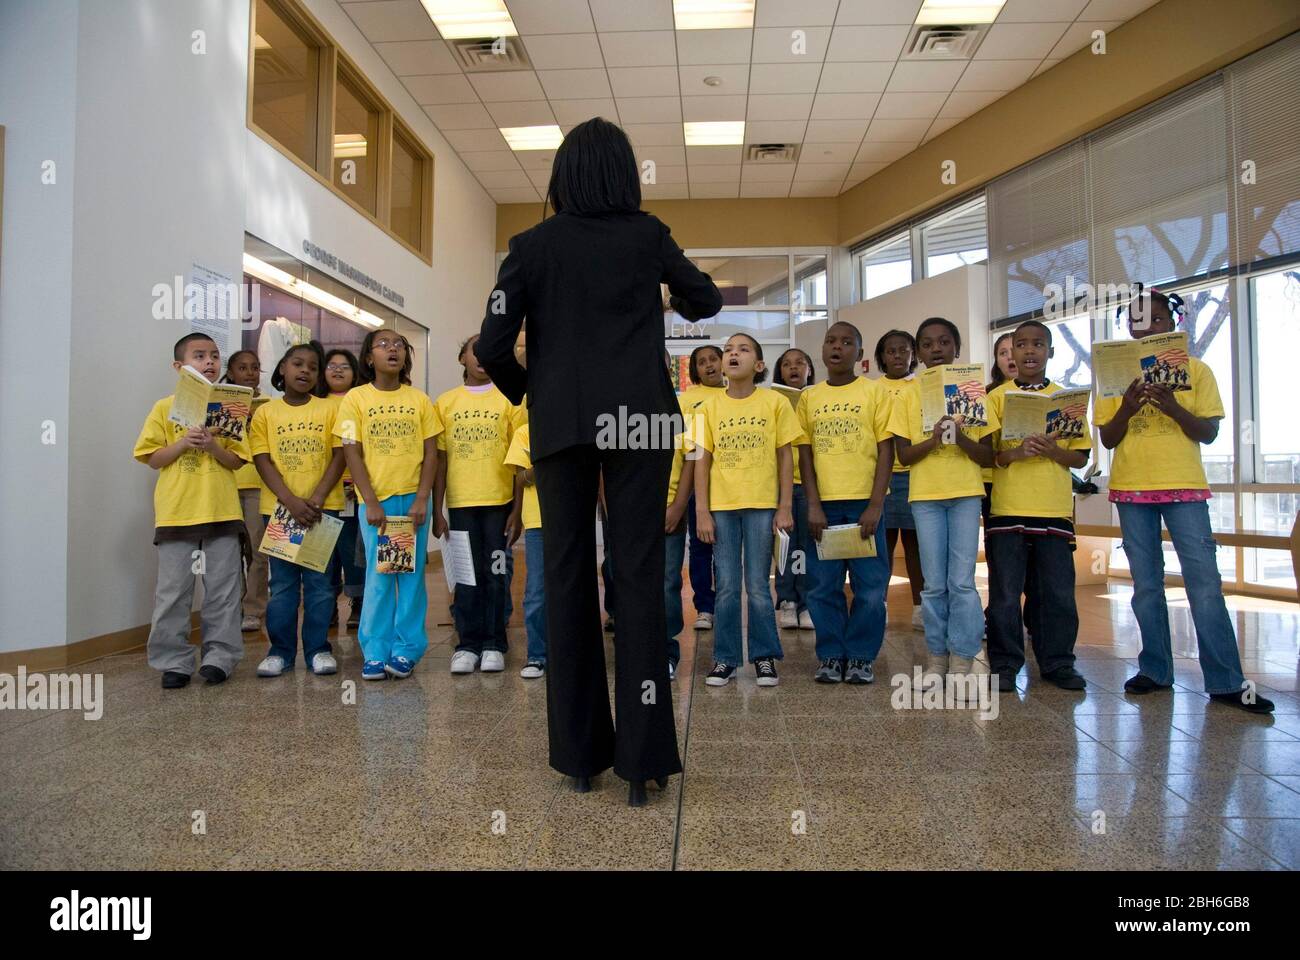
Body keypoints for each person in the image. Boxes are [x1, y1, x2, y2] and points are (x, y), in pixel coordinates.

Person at [477, 116, 722, 806]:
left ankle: (581, 755)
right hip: (641, 419)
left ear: (562, 174)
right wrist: (661, 295)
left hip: (562, 426)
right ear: (623, 173)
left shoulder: (530, 246)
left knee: (566, 578)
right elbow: (704, 298)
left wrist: (538, 391)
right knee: (640, 572)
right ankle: (643, 761)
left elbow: (494, 342)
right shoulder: (649, 236)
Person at [1095, 290, 1272, 714]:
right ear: (1128, 327)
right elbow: (1108, 438)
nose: (1147, 326)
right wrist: (1126, 407)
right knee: (1146, 586)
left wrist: (1172, 406)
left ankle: (1227, 680)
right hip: (1131, 487)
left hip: (1186, 488)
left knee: (1205, 584)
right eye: (1138, 320)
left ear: (1171, 325)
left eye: (1157, 319)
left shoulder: (1197, 371)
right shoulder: (1116, 376)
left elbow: (1207, 433)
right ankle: (1155, 670)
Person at [133, 334, 249, 688]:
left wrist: (212, 445)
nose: (209, 362)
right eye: (199, 356)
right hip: (177, 515)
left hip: (222, 512)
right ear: (179, 366)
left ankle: (220, 657)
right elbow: (152, 458)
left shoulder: (230, 407)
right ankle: (174, 660)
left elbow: (236, 460)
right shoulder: (163, 408)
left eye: (214, 356)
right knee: (173, 593)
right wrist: (183, 442)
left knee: (224, 592)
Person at [888, 318, 997, 683]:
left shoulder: (974, 389)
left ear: (957, 349)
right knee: (933, 583)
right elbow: (904, 455)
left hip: (966, 494)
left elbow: (987, 456)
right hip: (926, 496)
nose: (936, 349)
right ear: (918, 353)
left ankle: (963, 657)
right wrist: (935, 439)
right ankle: (937, 654)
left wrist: (959, 436)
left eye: (944, 342)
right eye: (928, 344)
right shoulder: (907, 394)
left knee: (962, 582)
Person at [694, 334, 804, 687]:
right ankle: (724, 659)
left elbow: (786, 455)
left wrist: (784, 506)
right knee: (725, 585)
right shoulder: (707, 408)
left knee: (757, 585)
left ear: (758, 365)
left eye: (742, 349)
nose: (732, 354)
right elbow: (700, 462)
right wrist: (701, 511)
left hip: (761, 506)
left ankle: (765, 657)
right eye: (728, 350)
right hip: (722, 509)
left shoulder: (774, 403)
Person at [985, 321, 1089, 693]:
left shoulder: (1068, 400)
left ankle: (1058, 662)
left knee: (1056, 593)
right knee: (1005, 593)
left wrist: (1053, 451)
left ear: (1050, 352)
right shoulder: (996, 397)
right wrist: (1016, 452)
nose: (1030, 351)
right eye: (1022, 345)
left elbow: (1080, 458)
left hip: (1054, 510)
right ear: (1010, 353)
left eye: (1038, 345)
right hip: (1008, 508)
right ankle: (1004, 664)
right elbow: (988, 455)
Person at [334, 328, 442, 681]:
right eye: (383, 345)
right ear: (369, 357)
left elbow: (431, 454)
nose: (392, 349)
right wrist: (371, 501)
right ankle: (376, 650)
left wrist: (423, 498)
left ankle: (407, 649)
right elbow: (351, 450)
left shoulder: (420, 401)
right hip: (376, 504)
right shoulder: (355, 399)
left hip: (413, 503)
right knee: (379, 578)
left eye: (398, 345)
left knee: (410, 578)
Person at [798, 322, 894, 685]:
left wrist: (875, 505)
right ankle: (830, 655)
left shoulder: (875, 393)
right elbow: (805, 455)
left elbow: (886, 450)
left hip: (863, 507)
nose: (837, 347)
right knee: (823, 587)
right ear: (822, 350)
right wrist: (813, 505)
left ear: (860, 353)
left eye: (847, 342)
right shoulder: (809, 397)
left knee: (870, 588)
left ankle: (860, 656)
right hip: (824, 508)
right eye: (830, 341)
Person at [249, 343, 346, 678]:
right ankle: (280, 652)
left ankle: (319, 649)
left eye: (312, 367)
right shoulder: (265, 413)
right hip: (281, 511)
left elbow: (340, 456)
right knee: (284, 586)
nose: (304, 371)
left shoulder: (330, 410)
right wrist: (290, 501)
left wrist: (317, 498)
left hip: (323, 510)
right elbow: (262, 459)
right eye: (297, 364)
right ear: (281, 370)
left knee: (320, 585)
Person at [434, 334, 522, 674]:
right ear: (462, 359)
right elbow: (439, 461)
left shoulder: (509, 401)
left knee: (496, 574)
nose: (483, 356)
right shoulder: (445, 403)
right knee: (467, 577)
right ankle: (467, 644)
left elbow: (519, 460)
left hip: (499, 505)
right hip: (460, 506)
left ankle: (494, 643)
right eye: (476, 350)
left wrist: (516, 510)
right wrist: (436, 509)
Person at [874, 331, 925, 631]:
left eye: (903, 351)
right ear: (881, 357)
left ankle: (921, 607)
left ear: (912, 355)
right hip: (883, 475)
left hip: (916, 473)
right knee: (882, 544)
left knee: (916, 547)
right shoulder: (872, 388)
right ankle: (877, 605)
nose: (896, 356)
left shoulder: (923, 386)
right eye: (890, 351)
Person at [679, 344, 726, 629]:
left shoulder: (736, 394)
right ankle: (704, 607)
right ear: (694, 370)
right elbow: (685, 447)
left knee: (726, 549)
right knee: (699, 547)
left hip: (730, 487)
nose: (709, 365)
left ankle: (725, 601)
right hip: (698, 484)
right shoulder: (687, 400)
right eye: (701, 362)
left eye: (713, 359)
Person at [222, 350, 269, 634]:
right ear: (231, 373)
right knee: (228, 553)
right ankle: (231, 608)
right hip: (224, 485)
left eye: (255, 367)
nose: (250, 372)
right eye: (242, 367)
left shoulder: (267, 407)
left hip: (257, 486)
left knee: (257, 551)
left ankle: (254, 609)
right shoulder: (217, 404)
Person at [772, 347, 815, 630]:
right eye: (787, 364)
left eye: (800, 362)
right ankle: (786, 600)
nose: (794, 368)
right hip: (781, 486)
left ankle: (808, 603)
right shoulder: (771, 401)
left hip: (812, 485)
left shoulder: (817, 398)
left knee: (809, 547)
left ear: (810, 369)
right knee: (785, 546)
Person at [323, 348, 366, 630]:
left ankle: (357, 601)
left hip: (353, 490)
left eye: (345, 366)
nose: (338, 370)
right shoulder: (315, 403)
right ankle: (326, 605)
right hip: (322, 491)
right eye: (332, 365)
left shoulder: (360, 401)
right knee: (325, 551)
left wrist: (359, 484)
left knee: (352, 550)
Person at [662, 351, 693, 682]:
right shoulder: (617, 409)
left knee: (667, 582)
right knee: (631, 584)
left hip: (670, 511)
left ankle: (666, 650)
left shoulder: (681, 409)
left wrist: (679, 505)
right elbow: (604, 468)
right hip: (630, 516)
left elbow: (692, 457)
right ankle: (637, 650)